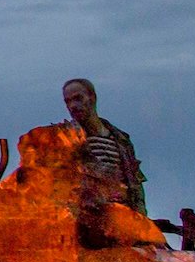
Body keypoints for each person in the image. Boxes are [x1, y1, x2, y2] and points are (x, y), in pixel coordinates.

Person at [61, 77, 145, 217]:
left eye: (78, 98)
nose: (72, 106)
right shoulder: (65, 139)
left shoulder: (121, 140)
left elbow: (134, 182)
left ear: (92, 97)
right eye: (68, 101)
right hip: (89, 221)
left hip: (125, 219)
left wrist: (141, 217)